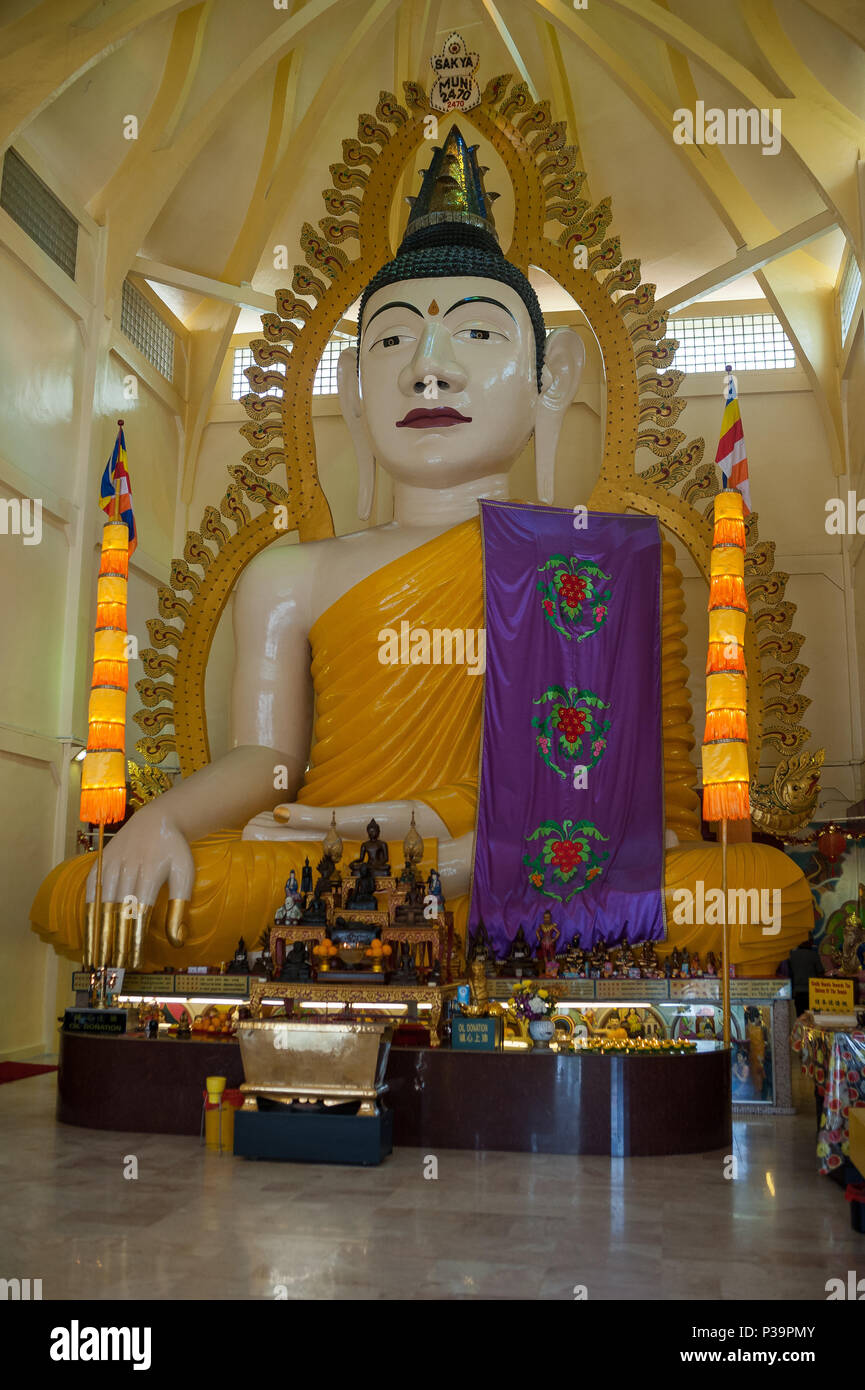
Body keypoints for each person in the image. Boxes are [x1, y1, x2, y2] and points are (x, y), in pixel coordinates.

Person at [788, 931, 823, 1017]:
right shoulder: (813, 955)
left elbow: (789, 973)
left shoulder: (792, 955)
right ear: (809, 941)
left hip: (797, 993)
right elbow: (821, 973)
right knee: (812, 1017)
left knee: (800, 1017)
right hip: (812, 992)